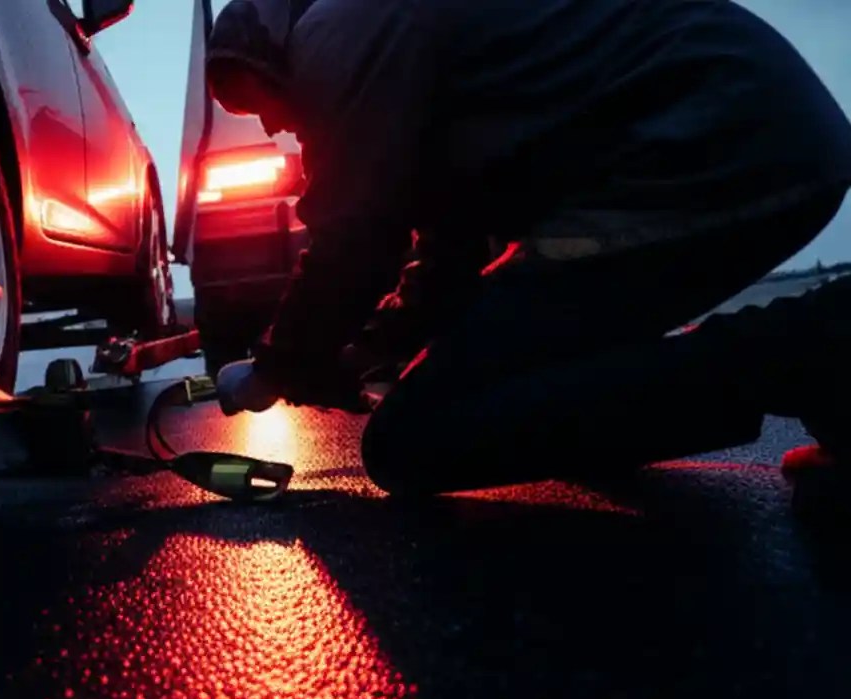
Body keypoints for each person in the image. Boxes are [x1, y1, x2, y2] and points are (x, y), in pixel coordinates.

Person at [209, 0, 851, 498]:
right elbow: (449, 247)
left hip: (708, 145)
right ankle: (815, 369)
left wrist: (279, 366)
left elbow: (356, 229)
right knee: (524, 385)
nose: (270, 126)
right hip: (755, 136)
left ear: (267, 51)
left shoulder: (338, 28)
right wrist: (377, 344)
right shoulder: (393, 31)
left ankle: (807, 346)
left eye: (251, 100)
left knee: (414, 439)